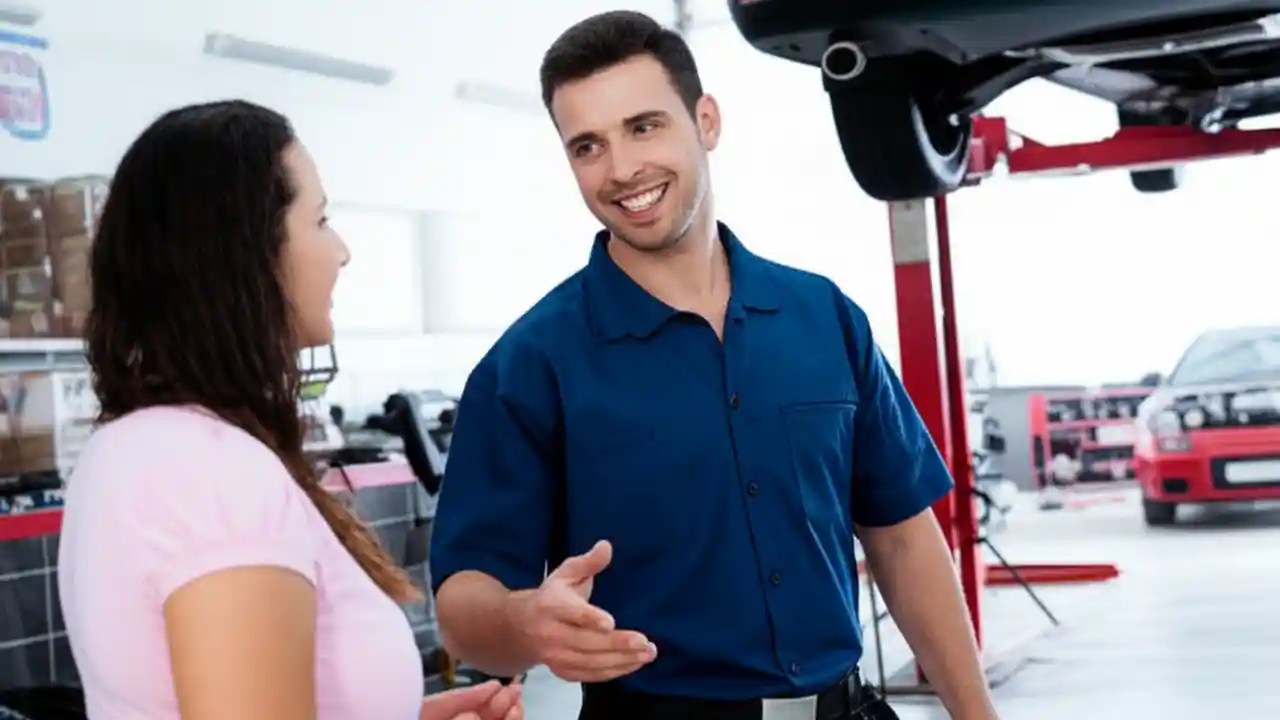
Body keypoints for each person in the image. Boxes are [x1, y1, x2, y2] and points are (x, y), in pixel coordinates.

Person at [429, 10, 997, 720]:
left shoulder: (823, 317)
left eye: (644, 127)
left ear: (706, 122)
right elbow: (462, 603)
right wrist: (522, 625)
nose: (621, 169)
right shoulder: (529, 365)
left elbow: (904, 538)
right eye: (588, 146)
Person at [55, 100, 523, 720]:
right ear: (247, 250)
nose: (342, 251)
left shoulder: (136, 445)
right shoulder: (208, 468)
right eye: (320, 219)